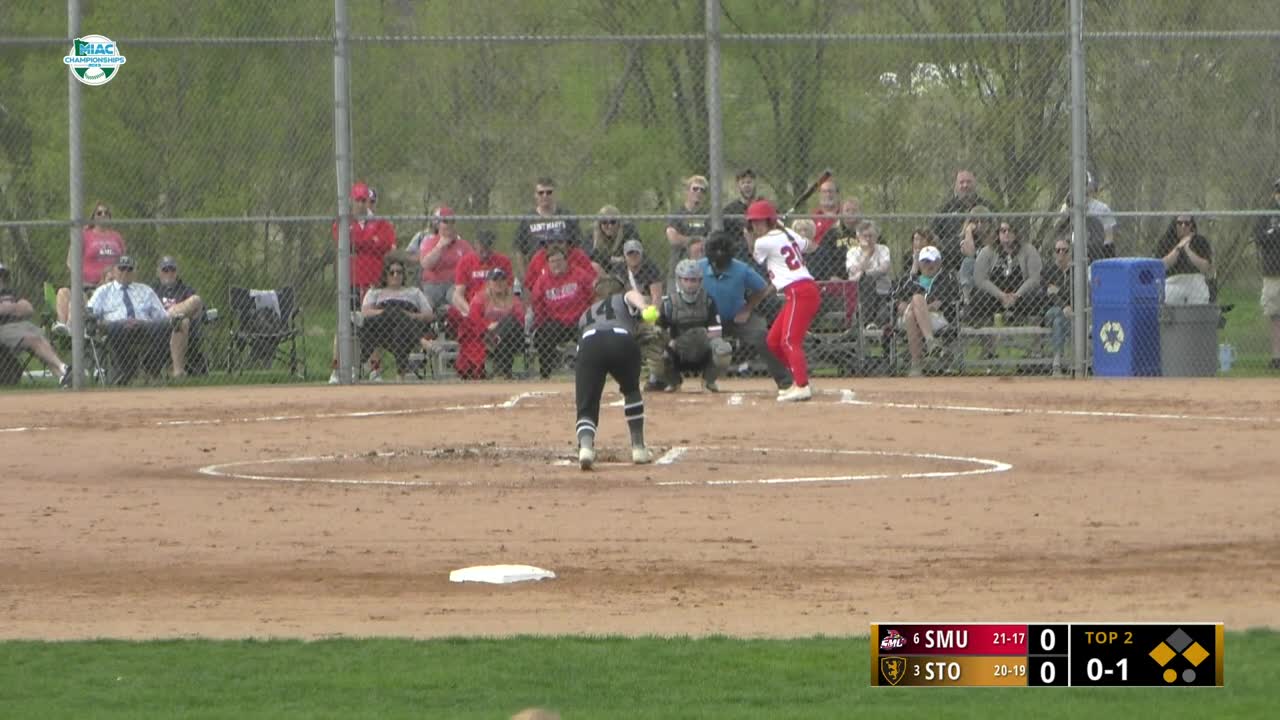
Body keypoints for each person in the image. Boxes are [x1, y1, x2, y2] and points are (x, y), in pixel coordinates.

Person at [573, 275, 653, 470]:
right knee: (631, 390)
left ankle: (585, 448)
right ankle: (638, 447)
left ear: (596, 296)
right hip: (621, 339)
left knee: (587, 403)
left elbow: (580, 347)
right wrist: (644, 308)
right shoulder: (622, 298)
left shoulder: (585, 314)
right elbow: (632, 295)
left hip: (589, 344)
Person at [699, 230, 794, 392]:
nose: (719, 256)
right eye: (716, 251)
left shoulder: (741, 269)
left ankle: (785, 381)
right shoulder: (699, 267)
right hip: (708, 320)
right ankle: (702, 379)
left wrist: (747, 308)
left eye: (723, 252)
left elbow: (764, 288)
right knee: (691, 338)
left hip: (736, 317)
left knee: (762, 336)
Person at [745, 199, 820, 402]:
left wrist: (749, 238)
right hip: (800, 292)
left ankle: (802, 386)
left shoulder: (763, 242)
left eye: (760, 222)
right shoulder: (788, 233)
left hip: (799, 291)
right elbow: (808, 246)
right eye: (753, 223)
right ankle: (798, 378)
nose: (755, 227)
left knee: (789, 341)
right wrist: (783, 230)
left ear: (769, 221)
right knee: (773, 341)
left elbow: (756, 256)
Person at [330, 181, 396, 383]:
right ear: (351, 201)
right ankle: (338, 369)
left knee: (372, 325)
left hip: (372, 282)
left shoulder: (381, 223)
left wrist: (360, 243)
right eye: (358, 200)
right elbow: (343, 242)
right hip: (349, 281)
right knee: (344, 324)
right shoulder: (344, 221)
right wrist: (370, 243)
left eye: (364, 200)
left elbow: (386, 245)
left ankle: (374, 369)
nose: (361, 204)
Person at [86, 255, 172, 384]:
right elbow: (90, 311)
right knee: (115, 327)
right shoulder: (103, 291)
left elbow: (161, 315)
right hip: (116, 326)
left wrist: (154, 322)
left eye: (129, 269)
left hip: (144, 326)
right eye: (122, 268)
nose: (125, 272)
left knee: (166, 324)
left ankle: (152, 366)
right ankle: (128, 370)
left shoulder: (145, 290)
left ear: (134, 272)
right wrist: (99, 322)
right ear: (114, 271)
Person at [651, 259, 731, 392]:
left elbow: (716, 332)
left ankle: (708, 381)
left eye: (694, 280)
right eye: (686, 280)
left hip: (702, 350)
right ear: (679, 280)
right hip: (678, 352)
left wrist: (696, 337)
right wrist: (671, 342)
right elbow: (659, 331)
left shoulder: (708, 301)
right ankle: (674, 382)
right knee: (654, 352)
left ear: (700, 281)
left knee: (723, 349)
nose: (690, 284)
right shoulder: (668, 303)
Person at [54, 200, 125, 332]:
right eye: (99, 213)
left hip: (111, 283)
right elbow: (70, 261)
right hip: (87, 285)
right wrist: (80, 279)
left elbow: (124, 261)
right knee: (63, 293)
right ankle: (64, 329)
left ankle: (75, 328)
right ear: (93, 216)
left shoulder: (116, 237)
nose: (103, 215)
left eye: (106, 213)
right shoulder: (84, 235)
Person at [360, 256, 435, 381]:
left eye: (399, 272)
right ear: (385, 275)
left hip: (406, 330)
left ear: (403, 275)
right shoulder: (376, 292)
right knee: (394, 312)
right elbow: (365, 312)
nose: (396, 275)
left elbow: (429, 315)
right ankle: (421, 342)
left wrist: (411, 316)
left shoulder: (413, 292)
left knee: (400, 329)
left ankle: (400, 376)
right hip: (383, 329)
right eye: (392, 272)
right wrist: (388, 312)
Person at [0, 262, 71, 387]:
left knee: (42, 342)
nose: (1, 278)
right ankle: (63, 367)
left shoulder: (10, 292)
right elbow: (17, 308)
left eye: (2, 275)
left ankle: (63, 378)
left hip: (23, 325)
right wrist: (15, 308)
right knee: (35, 340)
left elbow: (29, 308)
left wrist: (9, 308)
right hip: (4, 328)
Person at [530, 246, 596, 378]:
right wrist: (540, 324)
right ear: (548, 264)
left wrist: (590, 314)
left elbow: (593, 295)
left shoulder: (579, 274)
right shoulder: (543, 281)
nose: (556, 264)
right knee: (544, 335)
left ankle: (593, 371)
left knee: (592, 334)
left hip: (579, 320)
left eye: (559, 260)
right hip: (556, 322)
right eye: (553, 261)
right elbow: (537, 304)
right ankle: (545, 374)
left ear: (566, 261)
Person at [611, 239, 666, 390]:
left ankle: (656, 376)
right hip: (627, 311)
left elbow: (656, 296)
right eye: (630, 254)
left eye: (636, 253)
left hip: (646, 312)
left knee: (652, 335)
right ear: (624, 256)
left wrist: (652, 316)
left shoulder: (650, 268)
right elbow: (615, 295)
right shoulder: (619, 271)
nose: (633, 257)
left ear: (641, 254)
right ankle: (626, 376)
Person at [897, 246, 960, 377]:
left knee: (913, 308)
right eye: (925, 261)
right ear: (919, 263)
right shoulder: (909, 280)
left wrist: (918, 307)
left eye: (933, 261)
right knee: (913, 306)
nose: (929, 264)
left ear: (939, 262)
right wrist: (916, 307)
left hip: (937, 317)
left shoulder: (947, 278)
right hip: (910, 314)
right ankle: (930, 341)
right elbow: (898, 302)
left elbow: (943, 302)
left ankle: (916, 365)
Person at [457, 268, 524, 380]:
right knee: (505, 334)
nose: (499, 283)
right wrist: (487, 324)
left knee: (510, 321)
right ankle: (504, 372)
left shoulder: (513, 298)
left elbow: (520, 319)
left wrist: (499, 325)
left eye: (502, 280)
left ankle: (500, 364)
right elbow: (473, 319)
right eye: (495, 280)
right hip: (487, 335)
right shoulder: (480, 298)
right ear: (488, 283)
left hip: (511, 336)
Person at [972, 220, 1042, 325]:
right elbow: (979, 279)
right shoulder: (986, 251)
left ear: (1016, 233)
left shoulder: (1029, 250)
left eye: (1010, 230)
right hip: (995, 296)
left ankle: (1032, 333)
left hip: (1020, 296)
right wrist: (1001, 295)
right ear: (997, 233)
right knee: (979, 296)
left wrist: (1016, 295)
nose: (1006, 234)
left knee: (1036, 294)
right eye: (1003, 231)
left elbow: (1034, 278)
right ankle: (987, 334)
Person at [513, 177, 581, 284]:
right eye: (541, 193)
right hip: (538, 271)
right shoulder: (527, 219)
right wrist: (525, 276)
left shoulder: (566, 215)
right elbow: (519, 250)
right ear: (535, 195)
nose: (545, 196)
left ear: (555, 194)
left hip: (564, 270)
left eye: (549, 192)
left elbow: (576, 245)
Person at [932, 169, 996, 273]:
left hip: (984, 260)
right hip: (951, 263)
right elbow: (935, 238)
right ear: (956, 185)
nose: (965, 185)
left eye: (969, 182)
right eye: (961, 182)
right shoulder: (945, 209)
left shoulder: (988, 206)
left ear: (975, 183)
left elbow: (997, 232)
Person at [153, 256, 206, 379]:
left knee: (194, 303)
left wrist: (178, 313)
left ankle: (178, 373)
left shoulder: (186, 290)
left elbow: (200, 311)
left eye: (172, 269)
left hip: (185, 331)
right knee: (183, 315)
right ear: (159, 272)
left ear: (176, 271)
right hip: (160, 329)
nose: (169, 273)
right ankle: (169, 316)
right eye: (165, 270)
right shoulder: (153, 290)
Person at [415, 206, 474, 311]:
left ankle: (471, 318)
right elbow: (426, 264)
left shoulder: (462, 244)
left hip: (454, 285)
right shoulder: (429, 241)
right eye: (445, 221)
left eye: (452, 221)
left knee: (457, 298)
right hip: (432, 285)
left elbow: (472, 264)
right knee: (426, 307)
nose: (449, 225)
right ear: (437, 224)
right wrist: (440, 246)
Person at [451, 230, 513, 320]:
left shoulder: (503, 261)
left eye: (488, 247)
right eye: (482, 248)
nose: (485, 252)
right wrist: (472, 312)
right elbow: (458, 294)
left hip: (496, 306)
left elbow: (509, 290)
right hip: (472, 306)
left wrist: (501, 309)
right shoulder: (465, 262)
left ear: (492, 245)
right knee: (455, 299)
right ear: (475, 245)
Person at [1155, 214, 1213, 305]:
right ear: (1175, 224)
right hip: (1172, 281)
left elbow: (1205, 267)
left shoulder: (1200, 241)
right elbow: (1162, 266)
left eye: (1187, 223)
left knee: (1201, 297)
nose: (1183, 226)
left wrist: (1188, 249)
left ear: (1191, 225)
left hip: (1195, 280)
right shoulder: (1165, 240)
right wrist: (1179, 247)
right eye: (1179, 223)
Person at [845, 220, 894, 328]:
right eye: (865, 236)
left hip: (881, 292)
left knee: (883, 314)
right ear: (858, 237)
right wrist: (867, 254)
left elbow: (884, 269)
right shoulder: (852, 252)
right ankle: (868, 322)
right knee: (866, 281)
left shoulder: (883, 249)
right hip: (859, 292)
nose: (868, 239)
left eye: (871, 236)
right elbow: (853, 270)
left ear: (876, 236)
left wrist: (864, 272)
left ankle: (868, 324)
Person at [1253, 178, 1280, 369]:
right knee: (1274, 314)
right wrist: (1274, 233)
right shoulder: (1266, 214)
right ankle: (1277, 356)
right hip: (1272, 272)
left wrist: (1273, 235)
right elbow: (1260, 238)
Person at [1041, 234, 1075, 376]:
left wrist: (1058, 291)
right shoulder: (1048, 270)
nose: (1061, 253)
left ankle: (1057, 362)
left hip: (1070, 314)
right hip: (1050, 311)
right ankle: (1071, 361)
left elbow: (1075, 293)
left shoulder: (1076, 271)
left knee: (1058, 321)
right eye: (1058, 250)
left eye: (1065, 250)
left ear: (1070, 252)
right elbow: (1049, 294)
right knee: (1055, 314)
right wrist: (1064, 305)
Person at [808, 198, 862, 281]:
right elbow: (823, 257)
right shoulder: (832, 233)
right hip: (837, 277)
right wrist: (830, 276)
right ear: (841, 213)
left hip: (862, 278)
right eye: (847, 211)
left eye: (854, 211)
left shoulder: (868, 233)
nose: (851, 213)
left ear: (860, 213)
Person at [666, 174, 710, 275]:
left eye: (702, 190)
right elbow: (673, 238)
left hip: (702, 268)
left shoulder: (708, 216)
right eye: (695, 189)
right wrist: (697, 241)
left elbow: (712, 240)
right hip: (679, 266)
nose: (699, 192)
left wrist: (685, 240)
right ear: (687, 192)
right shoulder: (676, 214)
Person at [586, 205, 642, 274]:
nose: (609, 226)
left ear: (619, 222)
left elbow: (636, 251)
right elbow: (589, 255)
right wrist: (611, 259)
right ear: (600, 224)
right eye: (604, 222)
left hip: (623, 268)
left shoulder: (628, 230)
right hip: (602, 269)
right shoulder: (592, 233)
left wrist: (619, 259)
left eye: (613, 222)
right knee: (594, 265)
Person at [721, 167, 759, 245]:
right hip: (738, 251)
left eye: (749, 182)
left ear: (755, 184)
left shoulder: (762, 207)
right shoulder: (730, 210)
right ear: (738, 186)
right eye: (743, 183)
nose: (746, 186)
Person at [811, 176, 841, 244]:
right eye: (824, 191)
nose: (828, 194)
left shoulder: (844, 212)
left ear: (837, 194)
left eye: (830, 191)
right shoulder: (814, 215)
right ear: (820, 194)